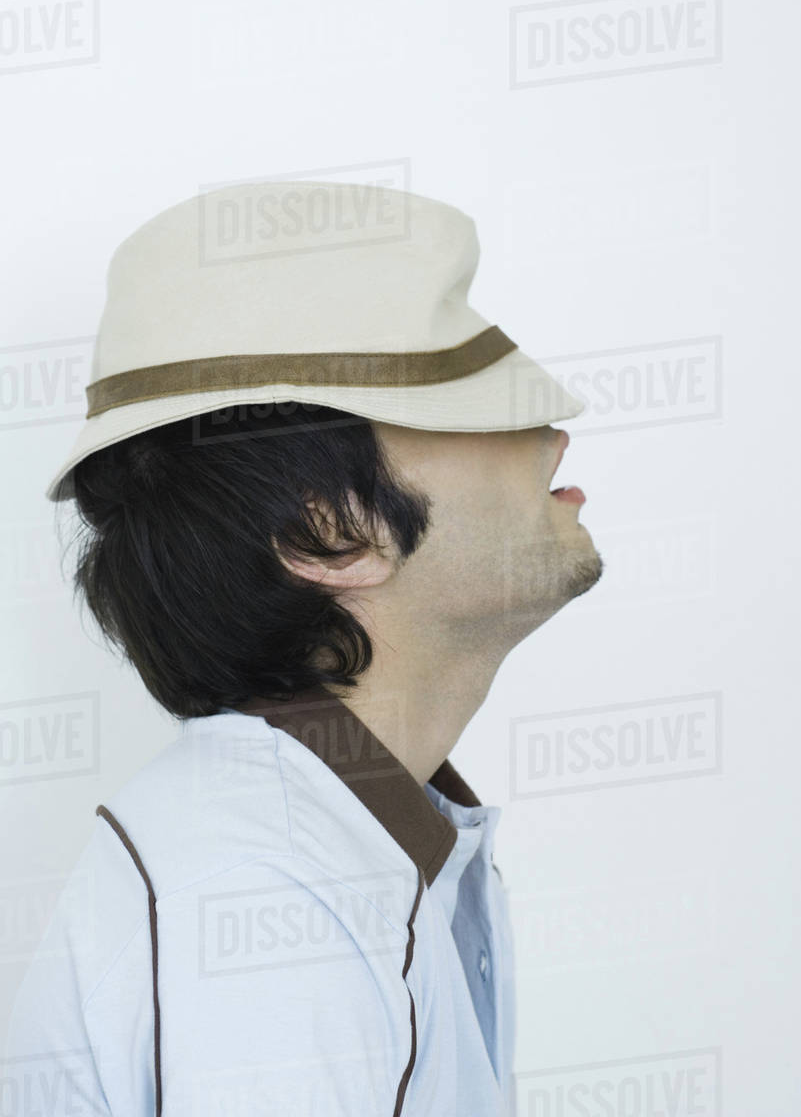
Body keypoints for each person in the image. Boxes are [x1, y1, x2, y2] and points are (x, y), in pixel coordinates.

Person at [4, 180, 604, 1115]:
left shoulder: (331, 838)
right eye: (476, 405)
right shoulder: (269, 894)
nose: (554, 435)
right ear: (328, 532)